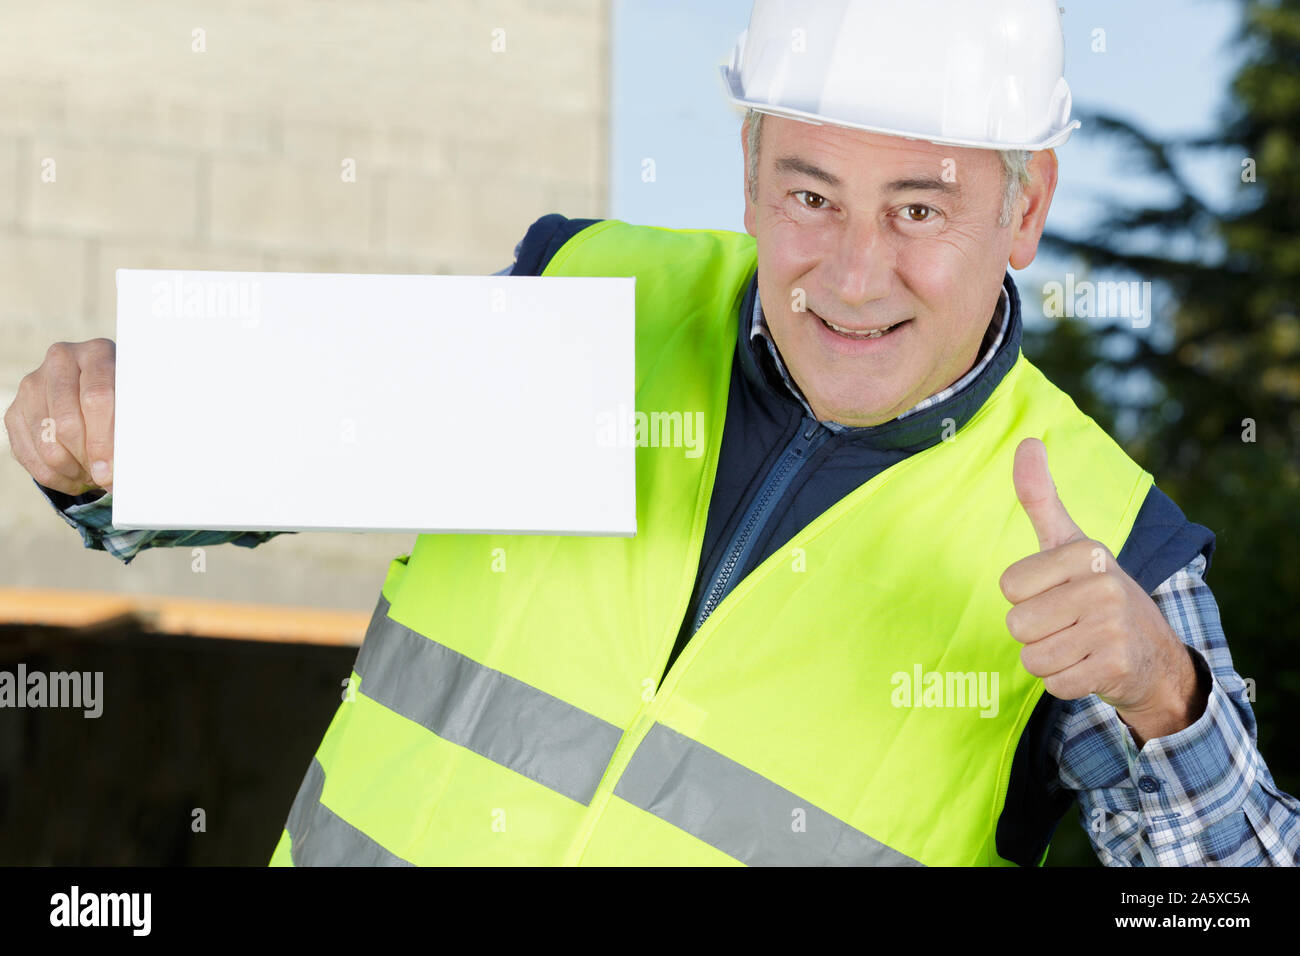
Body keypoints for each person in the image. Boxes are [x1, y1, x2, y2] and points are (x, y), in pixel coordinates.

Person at [6, 0, 1298, 866]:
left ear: (1026, 212)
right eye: (808, 193)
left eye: (920, 210)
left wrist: (1158, 695)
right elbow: (291, 436)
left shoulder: (1111, 549)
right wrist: (115, 444)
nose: (851, 275)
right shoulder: (587, 295)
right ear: (747, 170)